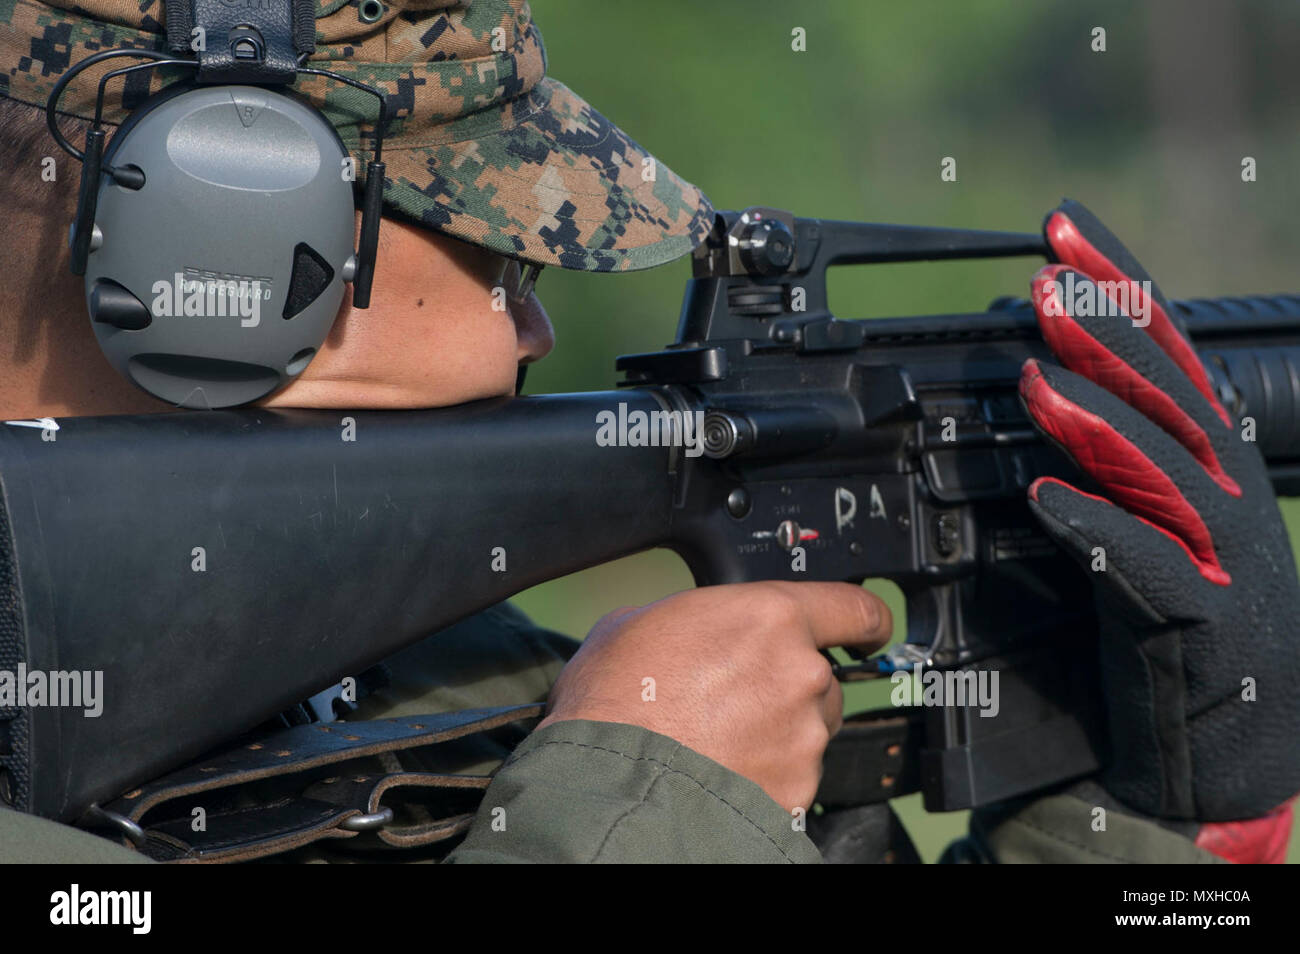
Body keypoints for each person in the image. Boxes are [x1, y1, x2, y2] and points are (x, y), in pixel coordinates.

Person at [0, 0, 1293, 864]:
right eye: (506, 261)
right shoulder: (603, 744)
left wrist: (1151, 809)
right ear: (217, 237)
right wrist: (637, 806)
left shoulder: (458, 686)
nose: (533, 335)